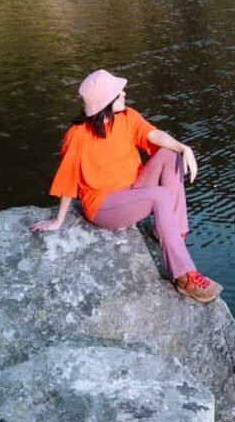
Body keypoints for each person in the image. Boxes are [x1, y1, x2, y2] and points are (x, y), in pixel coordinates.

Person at [31, 69, 222, 303]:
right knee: (160, 196)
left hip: (133, 189)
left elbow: (154, 135)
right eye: (117, 92)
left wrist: (184, 148)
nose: (124, 93)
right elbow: (68, 178)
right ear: (105, 103)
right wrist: (58, 221)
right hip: (104, 206)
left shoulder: (127, 117)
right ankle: (184, 276)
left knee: (170, 156)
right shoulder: (78, 135)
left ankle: (173, 234)